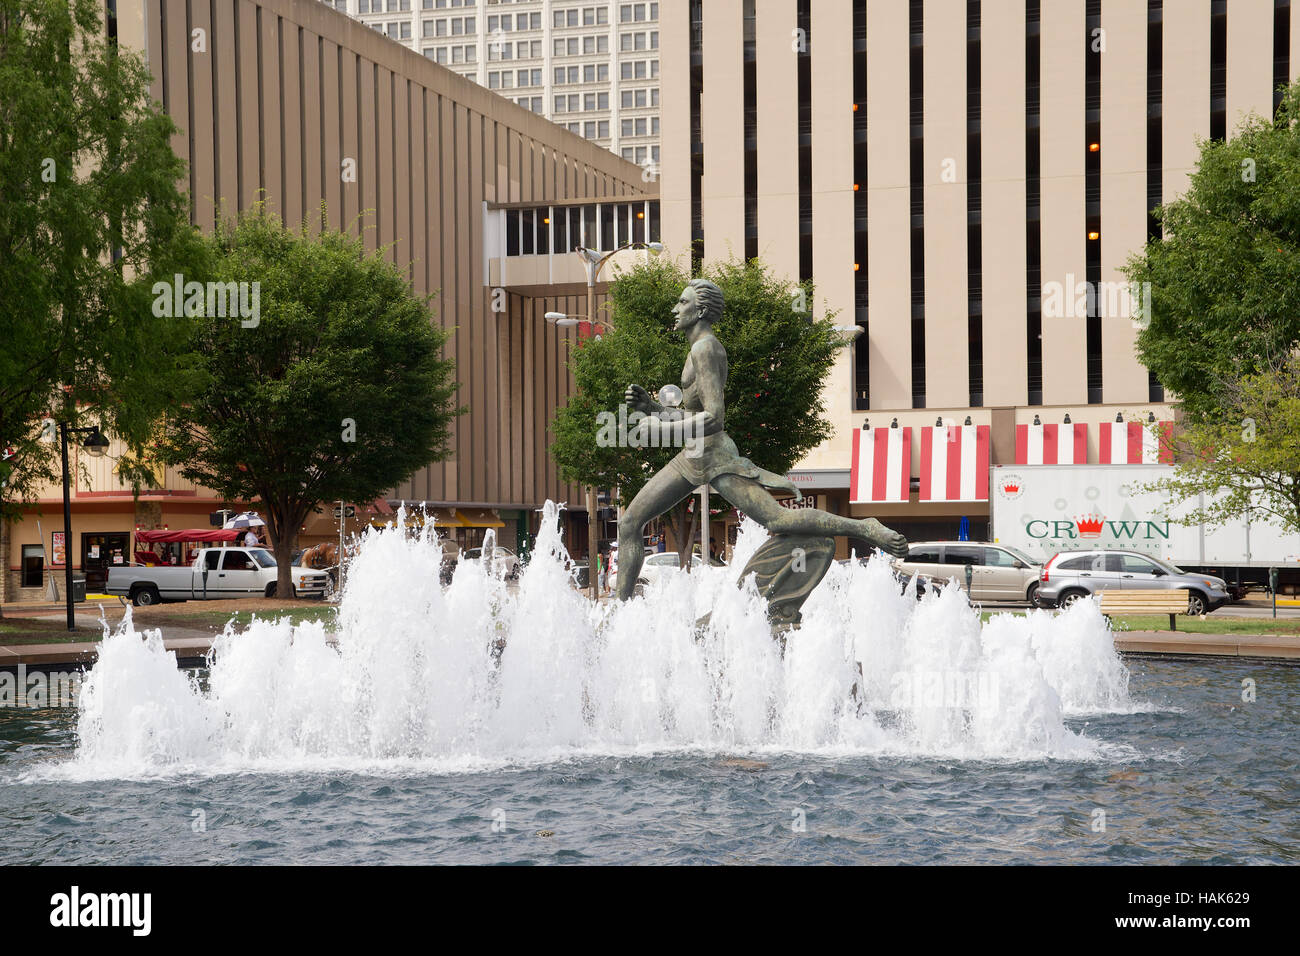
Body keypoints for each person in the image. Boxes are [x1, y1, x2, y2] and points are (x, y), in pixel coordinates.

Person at [615, 278, 908, 601]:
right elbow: (692, 416)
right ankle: (620, 610)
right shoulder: (698, 348)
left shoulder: (706, 349)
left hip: (714, 455)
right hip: (692, 455)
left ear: (699, 311)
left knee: (777, 518)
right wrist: (653, 409)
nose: (675, 309)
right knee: (630, 522)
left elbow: (714, 418)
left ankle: (865, 527)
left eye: (682, 303)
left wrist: (661, 430)